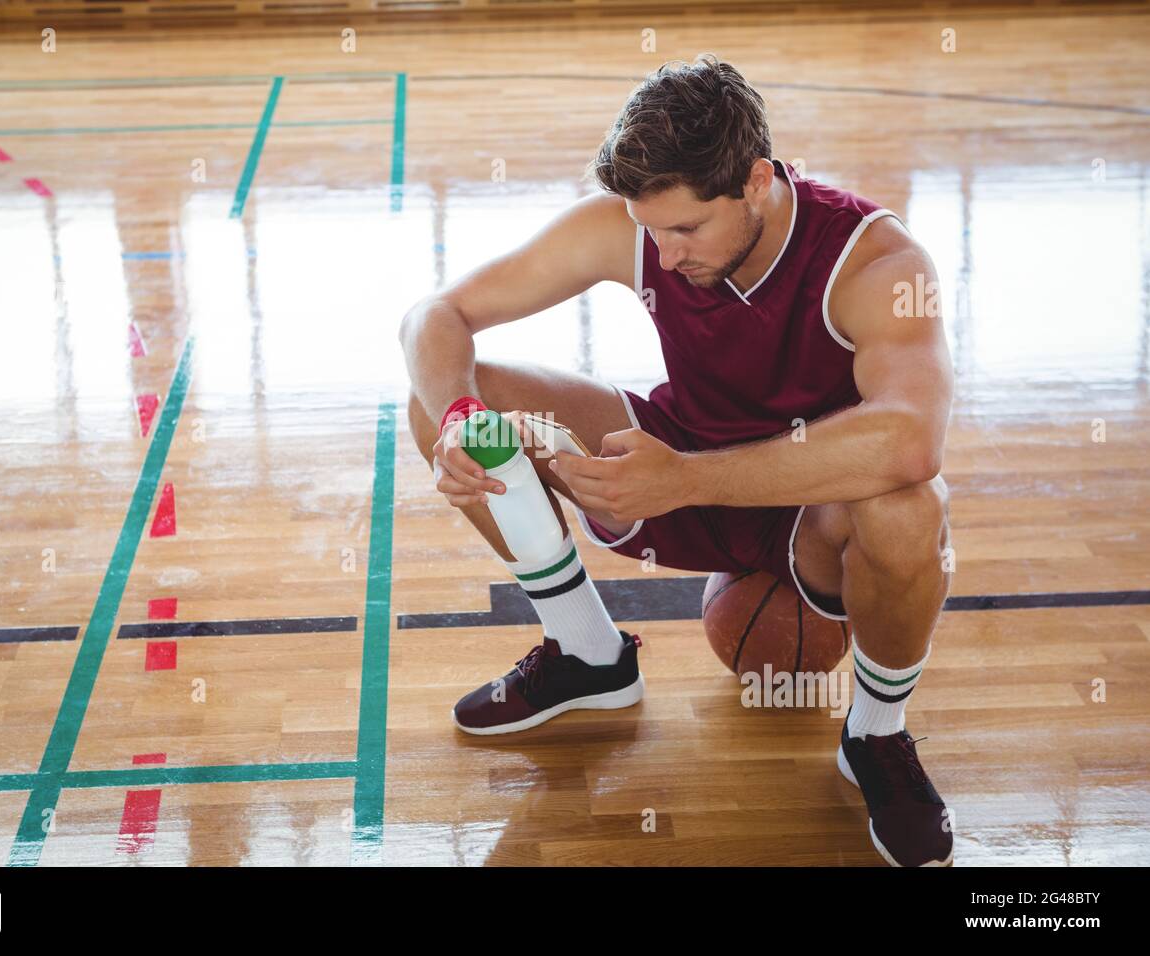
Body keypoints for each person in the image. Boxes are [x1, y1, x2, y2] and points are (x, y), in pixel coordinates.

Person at [399, 54, 954, 867]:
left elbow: (911, 439)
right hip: (674, 454)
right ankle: (589, 654)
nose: (662, 254)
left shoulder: (876, 263)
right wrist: (456, 417)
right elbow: (435, 313)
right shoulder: (638, 225)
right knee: (446, 397)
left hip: (813, 509)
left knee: (912, 503)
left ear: (757, 181)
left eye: (685, 229)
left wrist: (686, 478)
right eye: (649, 228)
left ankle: (876, 736)